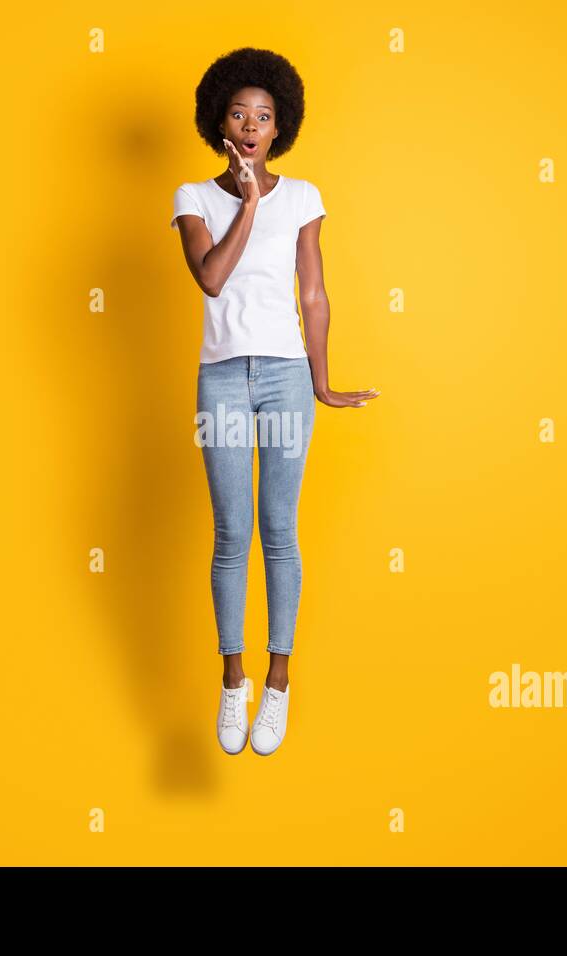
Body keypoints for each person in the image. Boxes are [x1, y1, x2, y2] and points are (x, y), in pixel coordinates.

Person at [170, 47, 380, 756]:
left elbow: (313, 295)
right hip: (222, 379)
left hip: (286, 375)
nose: (252, 125)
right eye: (239, 113)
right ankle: (233, 683)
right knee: (231, 535)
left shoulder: (305, 197)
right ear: (218, 121)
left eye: (265, 115)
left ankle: (278, 683)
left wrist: (322, 380)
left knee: (279, 531)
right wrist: (248, 201)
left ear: (279, 123)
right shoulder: (193, 199)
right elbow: (211, 279)